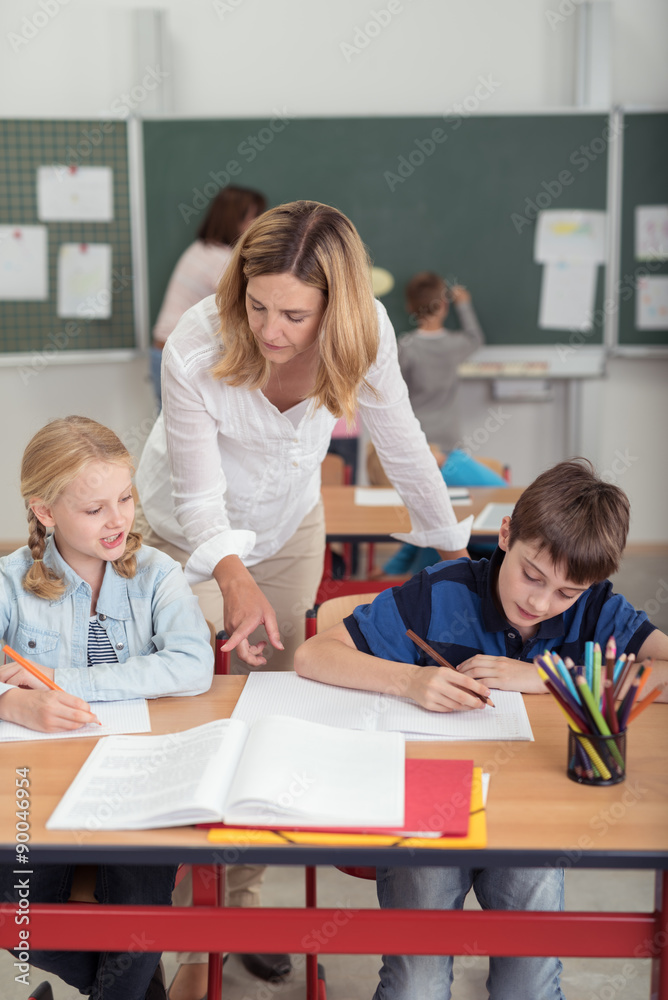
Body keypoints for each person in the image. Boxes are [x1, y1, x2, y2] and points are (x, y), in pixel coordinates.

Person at [134, 199, 472, 997]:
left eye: (293, 315)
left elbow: (403, 446)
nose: (270, 331)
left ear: (336, 307)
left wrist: (456, 550)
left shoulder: (367, 333)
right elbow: (200, 497)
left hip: (287, 529)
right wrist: (231, 576)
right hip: (180, 534)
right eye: (257, 306)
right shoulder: (197, 343)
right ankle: (170, 924)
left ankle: (239, 903)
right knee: (184, 703)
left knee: (274, 709)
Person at [294, 457, 668, 1000]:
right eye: (531, 575)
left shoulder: (597, 610)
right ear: (506, 534)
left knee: (529, 984)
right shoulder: (441, 592)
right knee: (416, 986)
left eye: (565, 592)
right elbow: (312, 655)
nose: (539, 602)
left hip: (532, 818)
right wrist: (409, 681)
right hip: (428, 815)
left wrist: (547, 676)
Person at [0, 416, 213, 1000]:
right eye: (95, 509)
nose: (118, 519)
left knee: (139, 917)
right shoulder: (11, 580)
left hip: (141, 782)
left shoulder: (157, 573)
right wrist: (14, 704)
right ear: (45, 512)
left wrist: (58, 681)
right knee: (18, 915)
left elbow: (193, 665)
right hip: (38, 788)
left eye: (125, 498)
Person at [150, 185, 267, 405]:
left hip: (163, 350)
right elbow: (246, 305)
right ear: (234, 219)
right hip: (180, 356)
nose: (259, 224)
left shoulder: (200, 248)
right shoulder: (222, 261)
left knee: (166, 425)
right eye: (254, 217)